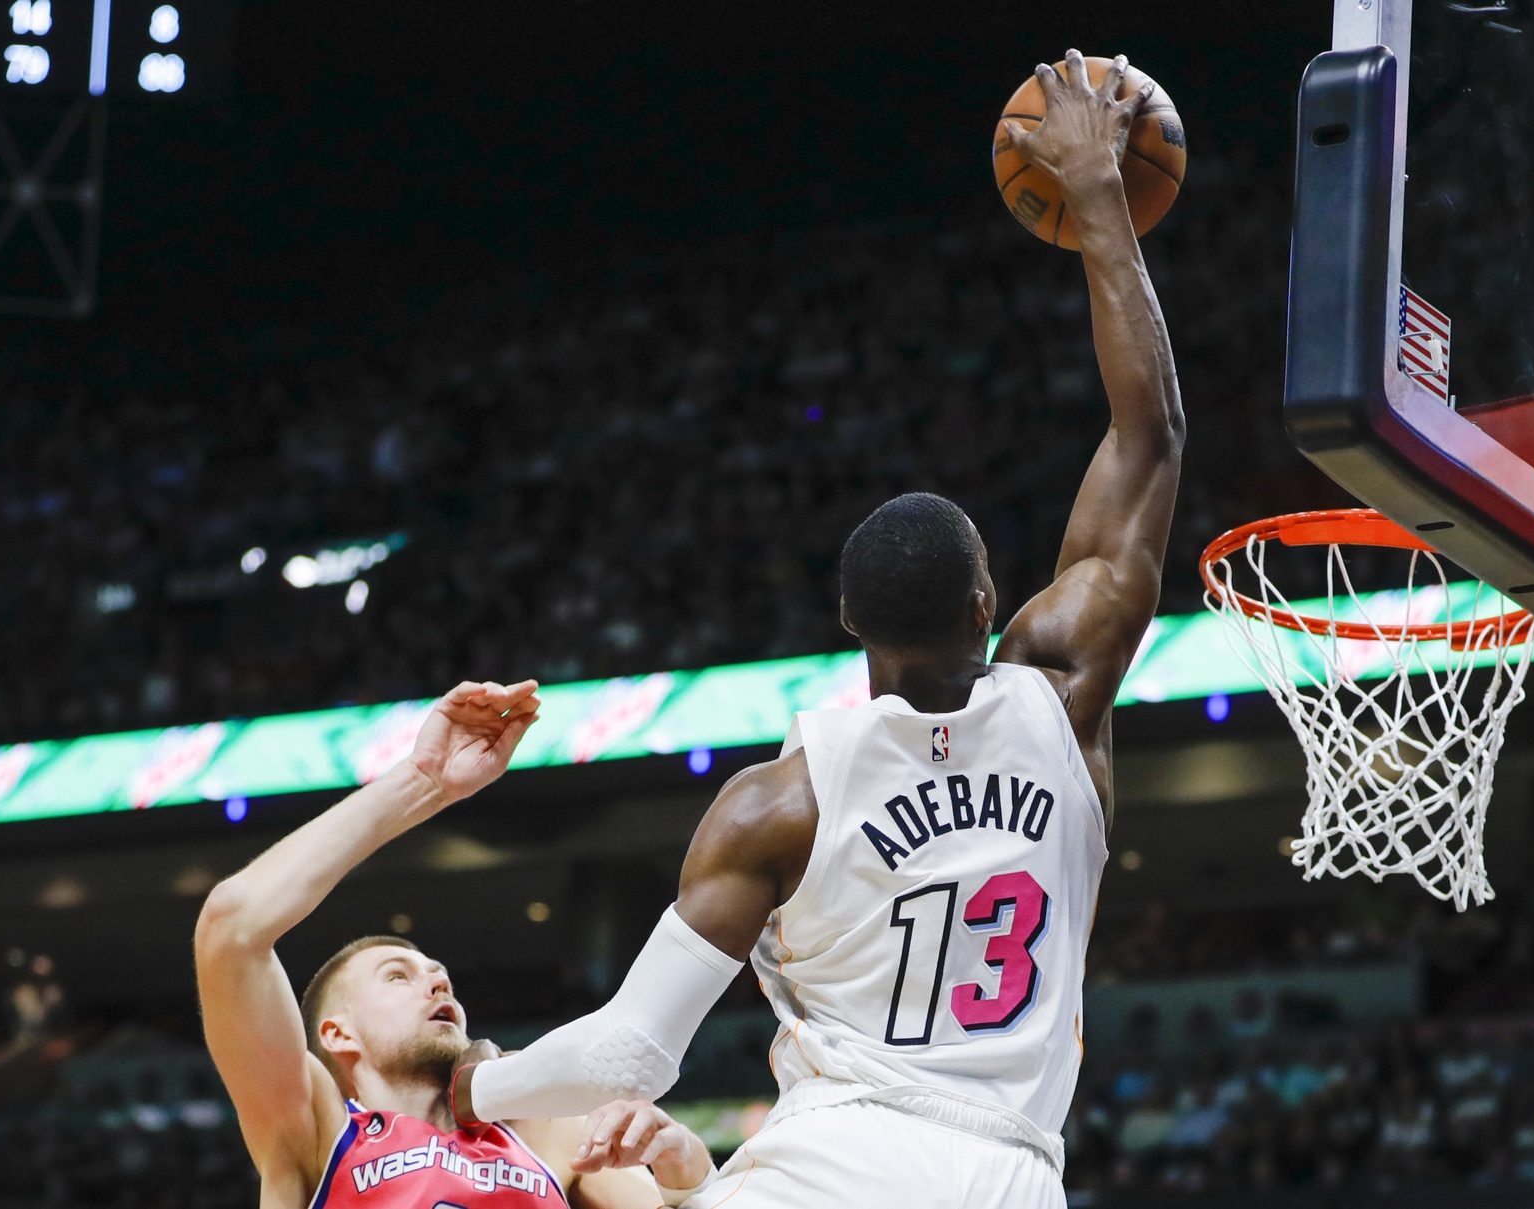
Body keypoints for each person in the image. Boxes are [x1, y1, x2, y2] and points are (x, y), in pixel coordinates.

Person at [453, 50, 1185, 1209]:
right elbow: (1149, 437)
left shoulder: (777, 801)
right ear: (990, 604)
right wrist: (1102, 202)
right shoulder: (1063, 693)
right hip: (1011, 1177)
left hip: (837, 1164)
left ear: (847, 623)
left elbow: (626, 1058)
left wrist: (476, 1090)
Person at [194, 679, 716, 1208]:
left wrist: (686, 1169)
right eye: (398, 975)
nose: (437, 980)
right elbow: (231, 927)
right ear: (336, 1033)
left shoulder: (545, 1132)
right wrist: (423, 781)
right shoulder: (315, 1128)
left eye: (437, 973)